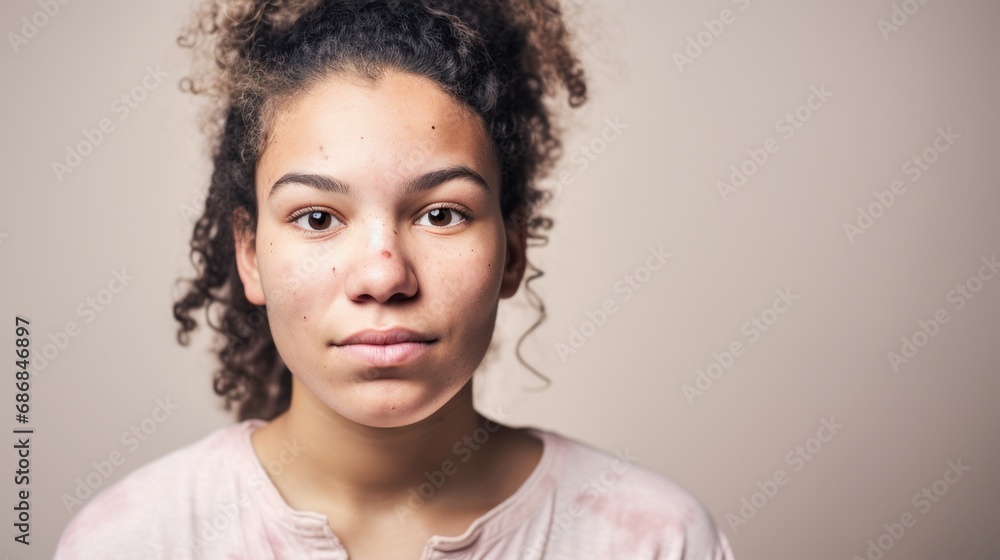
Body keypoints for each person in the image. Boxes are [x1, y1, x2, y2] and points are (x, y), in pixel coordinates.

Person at [54, 1, 734, 558]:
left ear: (513, 248)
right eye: (318, 217)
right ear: (250, 253)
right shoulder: (132, 541)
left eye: (441, 213)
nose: (383, 275)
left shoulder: (655, 540)